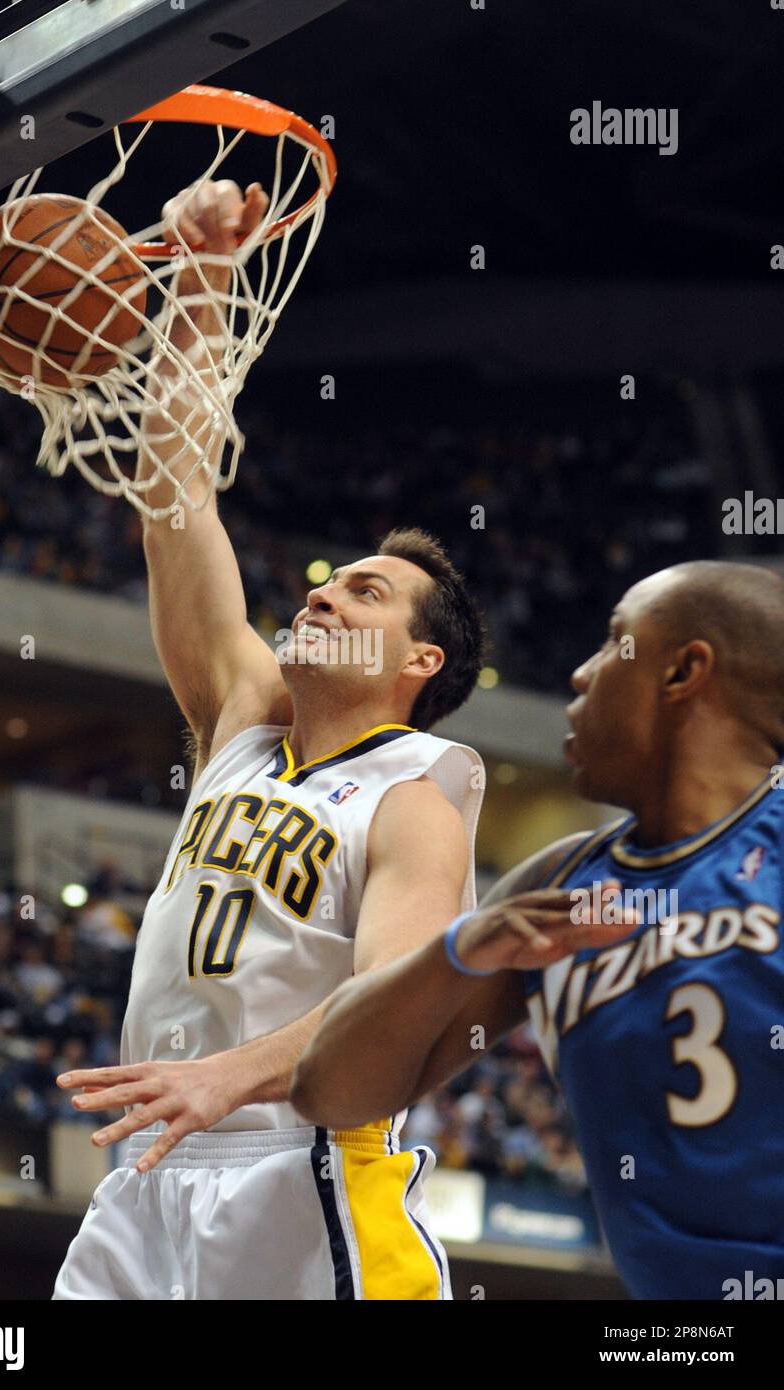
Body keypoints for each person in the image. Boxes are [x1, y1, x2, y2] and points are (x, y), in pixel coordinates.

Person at [52, 179, 627, 1301]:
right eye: (328, 580)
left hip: (298, 1163)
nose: (322, 596)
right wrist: (205, 280)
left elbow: (394, 994)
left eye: (363, 593)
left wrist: (231, 1074)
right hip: (148, 1171)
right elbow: (175, 501)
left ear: (421, 664)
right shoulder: (240, 720)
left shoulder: (418, 783)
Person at [292, 560, 784, 1300]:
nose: (581, 676)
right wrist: (458, 953)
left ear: (683, 671)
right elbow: (329, 1092)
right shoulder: (557, 885)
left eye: (614, 643)